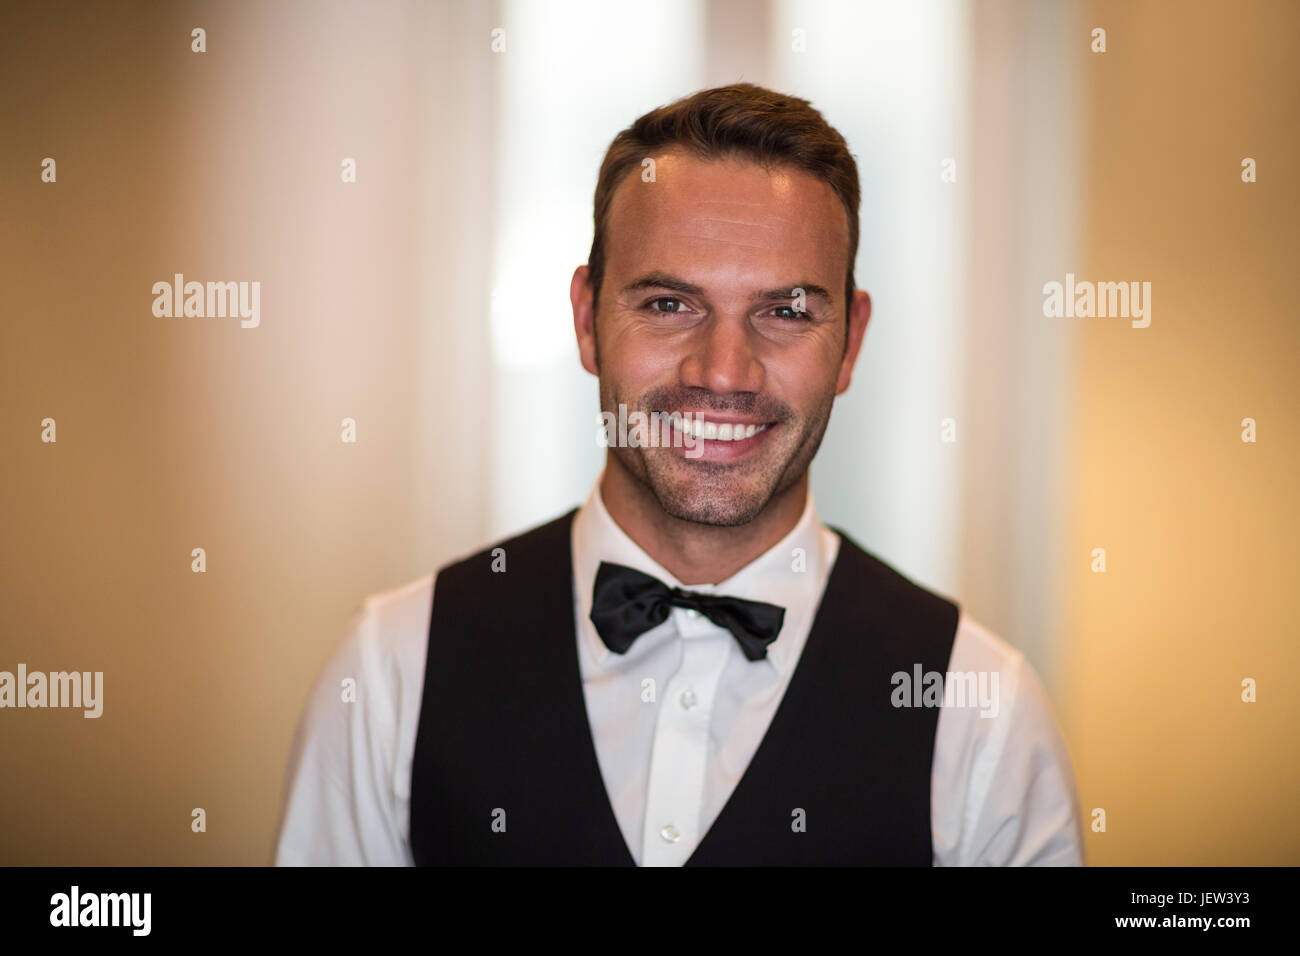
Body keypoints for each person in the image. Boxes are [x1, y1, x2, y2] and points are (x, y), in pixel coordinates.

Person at [274, 83, 1085, 866]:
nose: (725, 372)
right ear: (589, 321)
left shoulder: (982, 709)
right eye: (668, 304)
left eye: (787, 310)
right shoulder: (390, 668)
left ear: (852, 339)